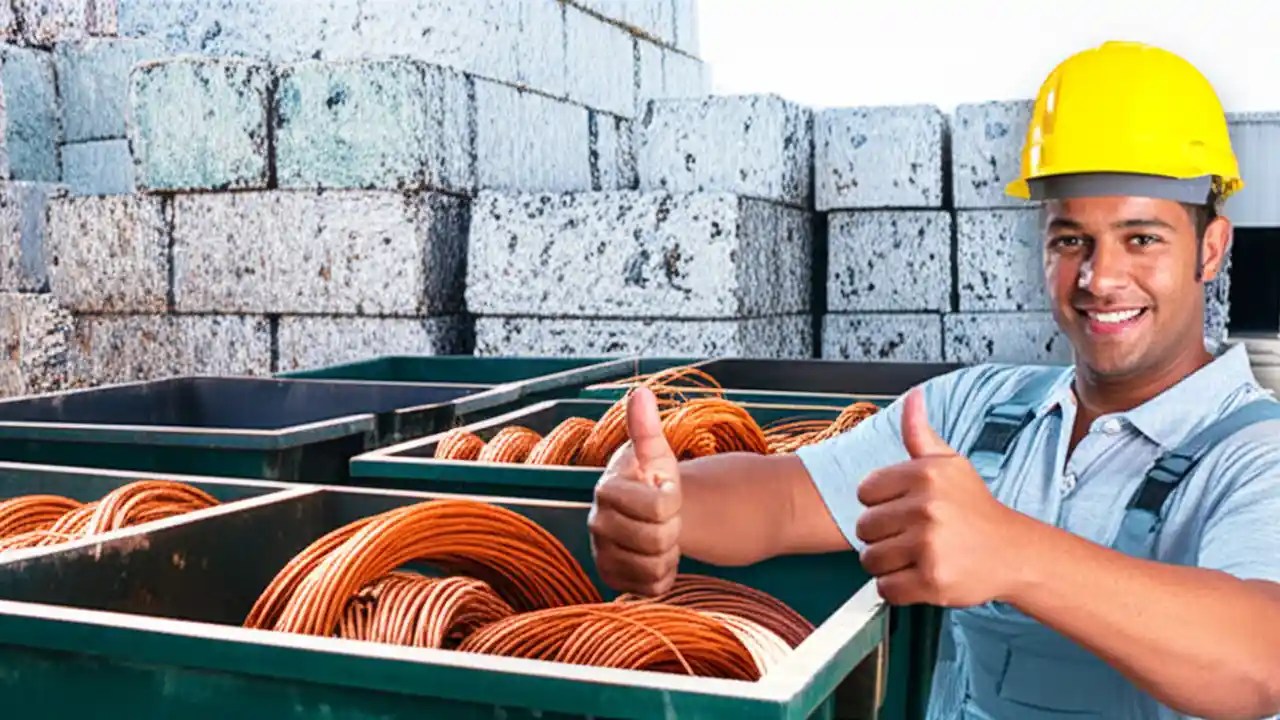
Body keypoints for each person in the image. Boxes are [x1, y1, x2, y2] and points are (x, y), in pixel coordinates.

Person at [587, 40, 1280, 720]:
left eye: (1142, 238)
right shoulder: (977, 411)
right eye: (1072, 240)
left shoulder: (1257, 456)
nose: (1100, 279)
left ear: (1211, 249)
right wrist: (665, 507)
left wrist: (1015, 552)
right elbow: (787, 500)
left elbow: (1261, 661)